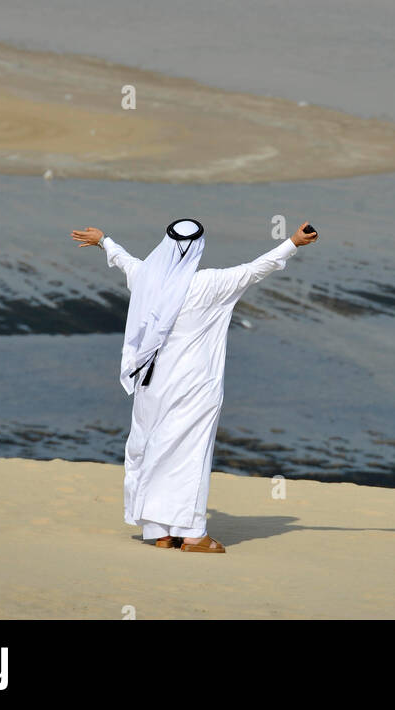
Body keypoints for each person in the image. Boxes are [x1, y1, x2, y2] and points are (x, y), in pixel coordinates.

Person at [71, 218, 319, 552]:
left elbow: (125, 261)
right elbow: (257, 268)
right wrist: (293, 243)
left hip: (151, 385)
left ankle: (160, 531)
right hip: (193, 387)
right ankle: (192, 534)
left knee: (152, 450)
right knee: (189, 455)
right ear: (199, 247)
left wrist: (105, 241)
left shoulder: (147, 278)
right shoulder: (210, 284)